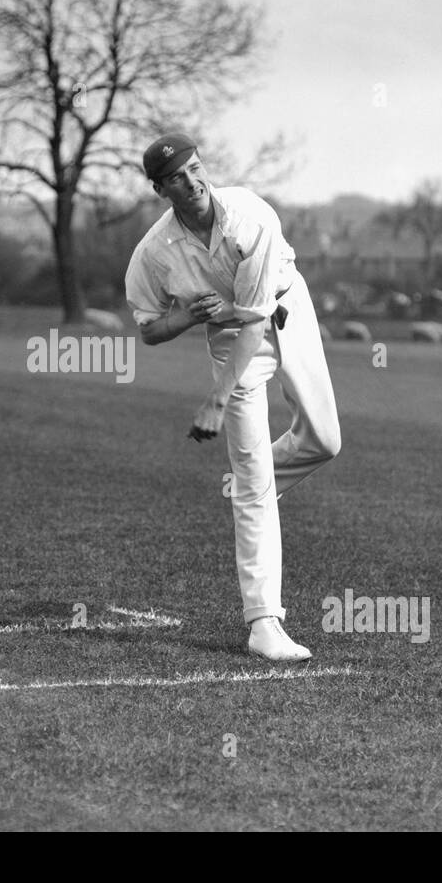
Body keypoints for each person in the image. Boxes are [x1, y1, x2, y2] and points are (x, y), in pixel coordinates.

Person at [124, 133, 341, 661]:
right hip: (227, 337)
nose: (192, 182)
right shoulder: (152, 253)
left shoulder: (251, 216)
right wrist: (183, 317)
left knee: (324, 442)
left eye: (196, 169)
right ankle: (264, 624)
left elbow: (256, 319)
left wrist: (215, 401)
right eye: (176, 178)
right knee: (252, 482)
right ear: (160, 189)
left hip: (286, 310)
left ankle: (254, 486)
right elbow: (149, 329)